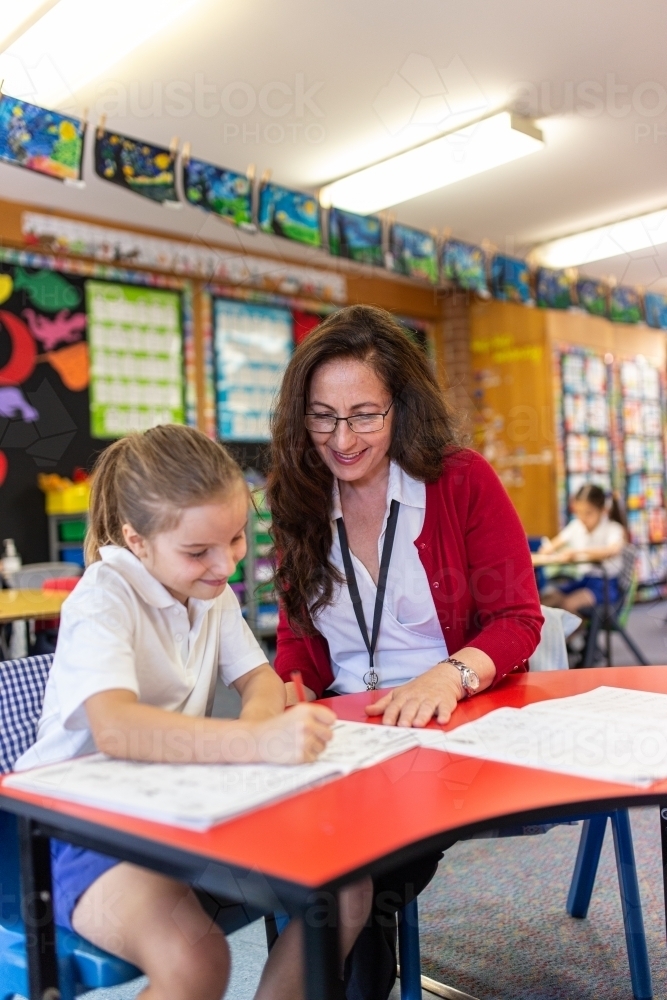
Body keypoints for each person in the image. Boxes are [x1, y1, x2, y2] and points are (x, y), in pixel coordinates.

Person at [15, 425, 372, 1000]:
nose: (225, 565)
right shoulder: (103, 597)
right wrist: (253, 744)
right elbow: (114, 726)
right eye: (197, 551)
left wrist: (260, 727)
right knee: (198, 961)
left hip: (183, 804)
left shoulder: (212, 594)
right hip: (85, 827)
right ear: (137, 542)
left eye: (234, 539)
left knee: (345, 889)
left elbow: (260, 680)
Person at [266, 305, 543, 1000]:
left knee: (349, 866)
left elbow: (517, 618)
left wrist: (447, 677)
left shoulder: (459, 481)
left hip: (448, 729)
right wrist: (283, 693)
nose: (341, 438)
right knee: (293, 851)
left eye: (364, 414)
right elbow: (299, 644)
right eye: (321, 416)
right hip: (346, 732)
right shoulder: (298, 495)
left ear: (403, 407)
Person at [539, 483, 626, 613]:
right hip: (584, 580)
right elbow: (551, 546)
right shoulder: (576, 525)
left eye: (588, 513)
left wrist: (577, 552)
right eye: (578, 512)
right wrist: (547, 549)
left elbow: (612, 550)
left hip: (605, 584)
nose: (582, 518)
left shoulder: (613, 529)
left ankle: (574, 631)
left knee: (568, 605)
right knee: (545, 601)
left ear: (602, 510)